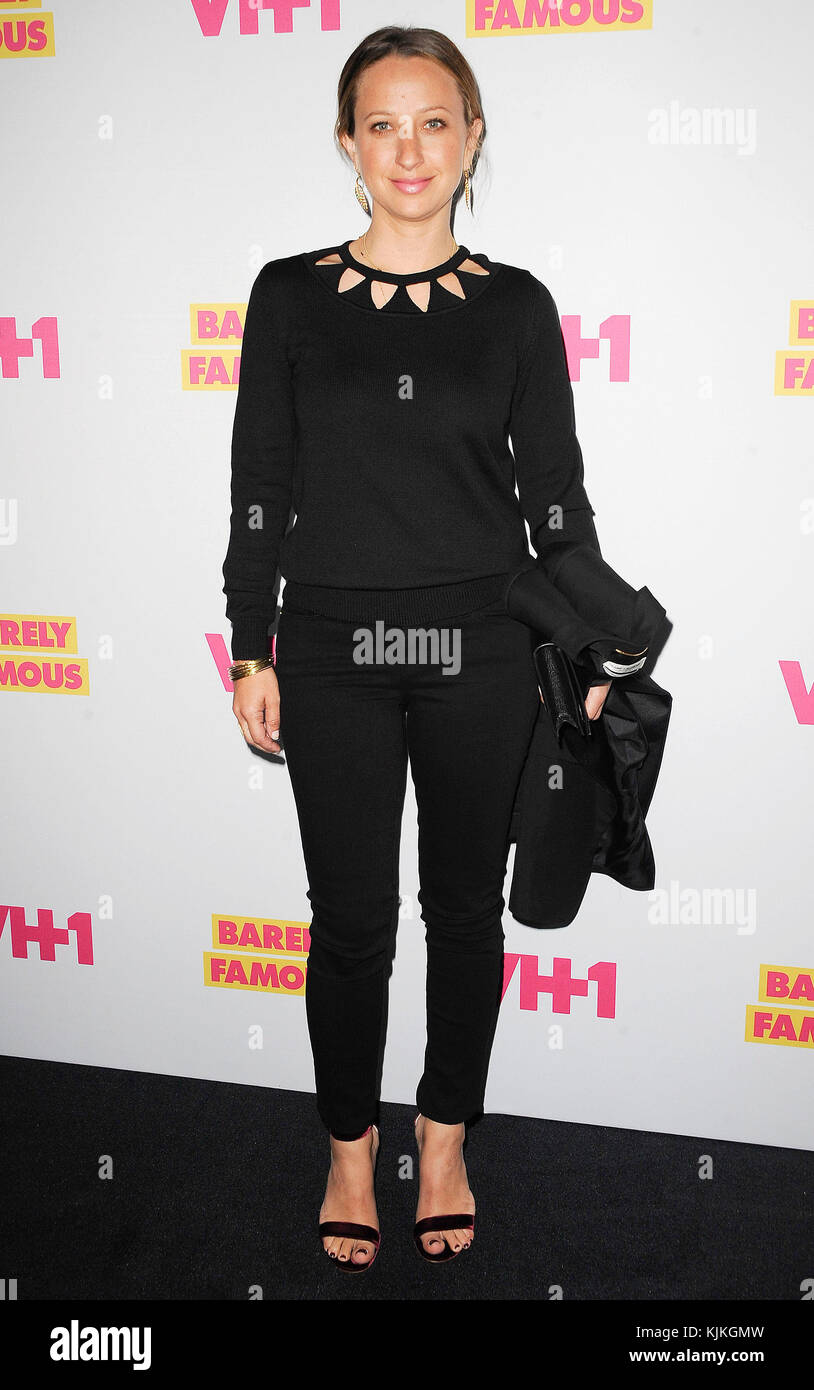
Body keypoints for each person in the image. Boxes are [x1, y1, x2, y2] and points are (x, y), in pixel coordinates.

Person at [222, 24, 610, 1272]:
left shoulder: (516, 307)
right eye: (381, 123)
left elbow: (555, 500)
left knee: (461, 915)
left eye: (433, 120)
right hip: (328, 645)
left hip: (482, 648)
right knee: (348, 923)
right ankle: (349, 1149)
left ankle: (441, 1137)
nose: (409, 148)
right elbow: (260, 485)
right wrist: (251, 644)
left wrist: (594, 651)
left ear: (472, 135)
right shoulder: (287, 294)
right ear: (347, 142)